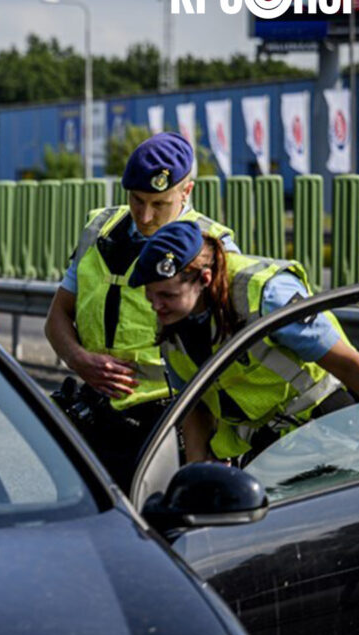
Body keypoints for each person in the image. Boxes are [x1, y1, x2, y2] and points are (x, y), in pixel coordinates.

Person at [129, 220, 359, 465]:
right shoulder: (173, 320)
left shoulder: (266, 296)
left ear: (204, 279)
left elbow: (350, 365)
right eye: (150, 295)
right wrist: (197, 467)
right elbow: (193, 404)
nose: (155, 306)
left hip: (336, 433)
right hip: (269, 453)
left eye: (166, 295)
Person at [44, 132, 238, 488]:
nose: (145, 215)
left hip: (171, 421)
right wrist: (78, 358)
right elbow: (57, 315)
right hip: (93, 416)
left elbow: (229, 350)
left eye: (160, 204)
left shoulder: (213, 246)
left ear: (186, 192)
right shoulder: (100, 229)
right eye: (137, 200)